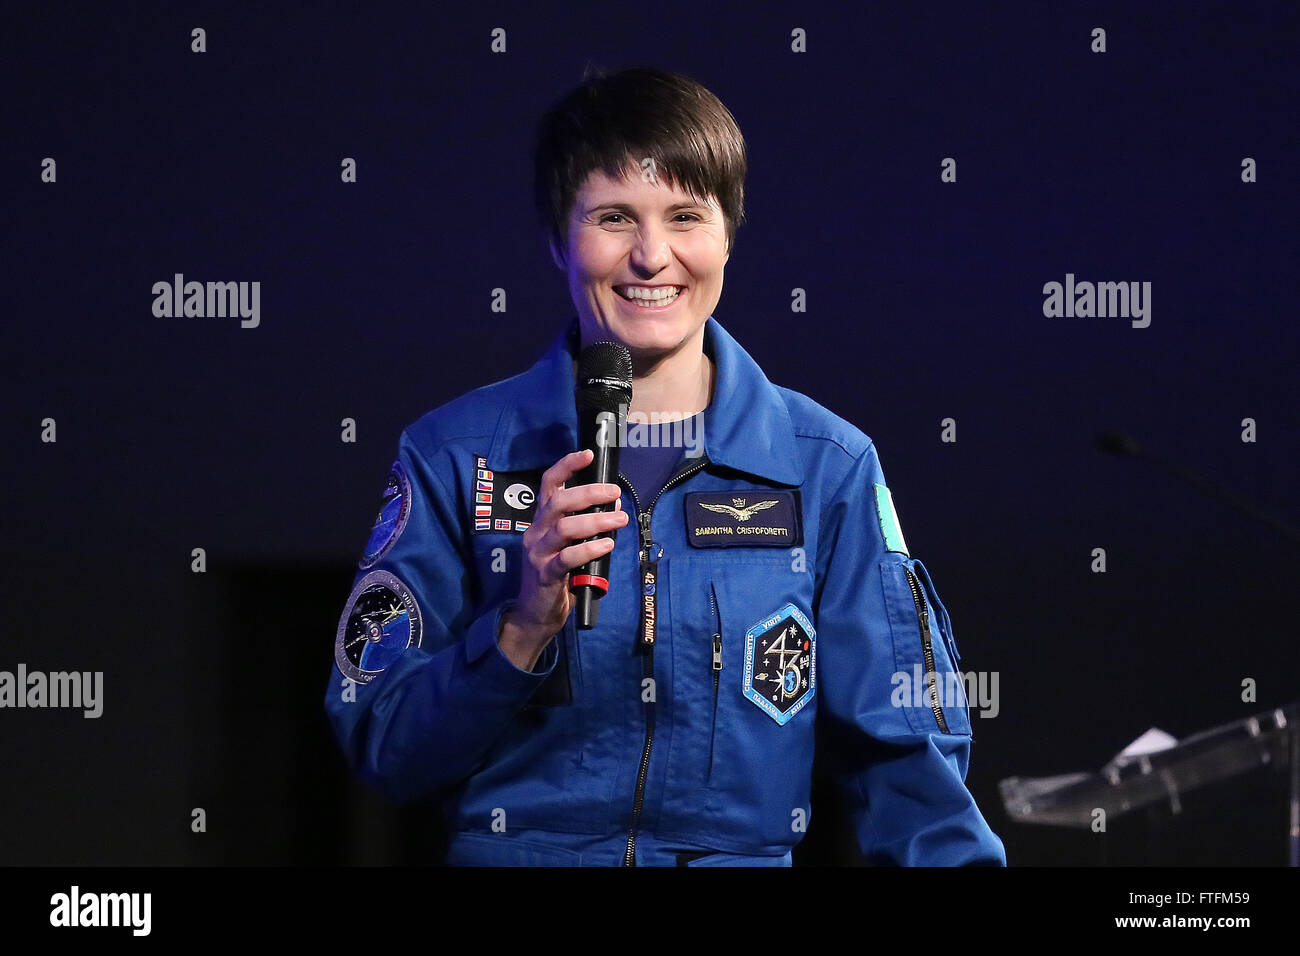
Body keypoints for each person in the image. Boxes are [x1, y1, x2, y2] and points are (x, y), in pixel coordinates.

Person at [324, 65, 1006, 866]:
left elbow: (911, 771)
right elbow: (385, 750)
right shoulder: (454, 454)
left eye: (686, 216)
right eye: (614, 217)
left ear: (728, 234)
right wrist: (519, 629)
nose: (653, 256)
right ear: (555, 238)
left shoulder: (826, 467)